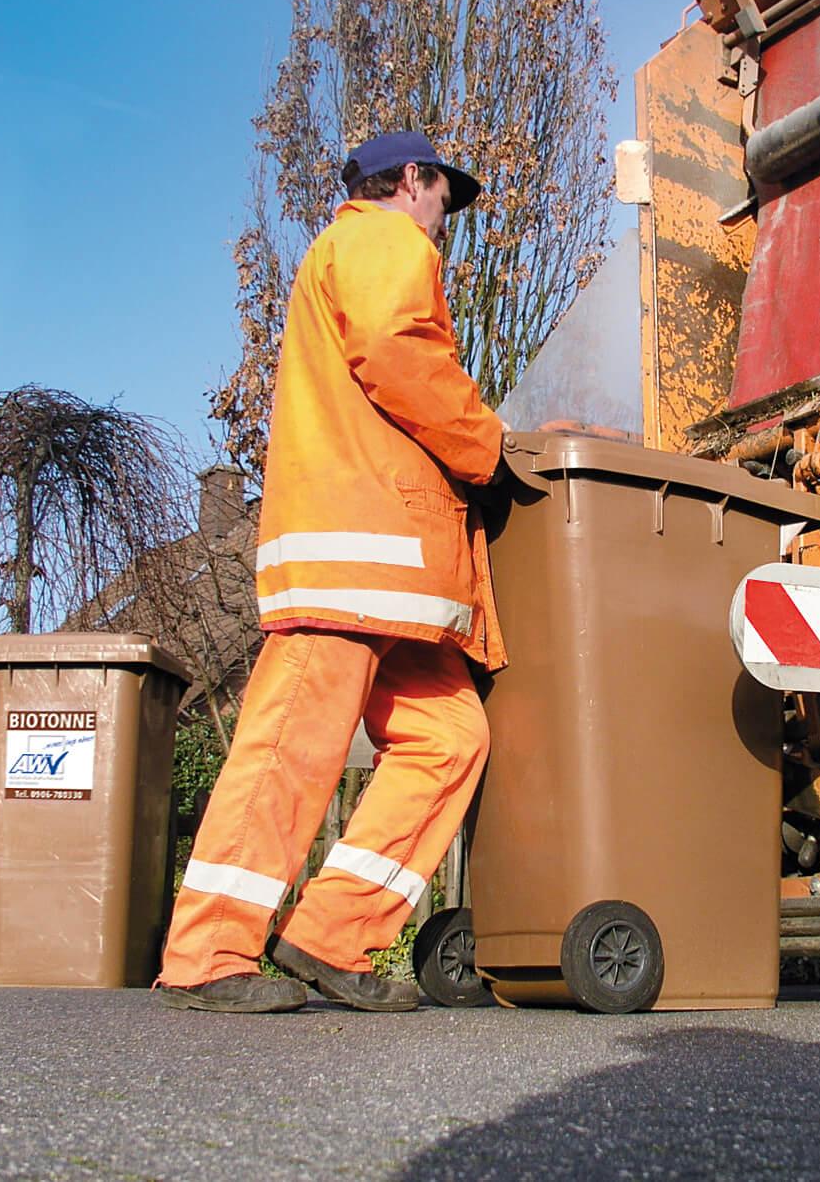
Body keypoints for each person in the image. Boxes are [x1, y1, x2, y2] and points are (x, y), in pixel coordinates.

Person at [156, 131, 506, 1013]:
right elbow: (396, 350)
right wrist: (486, 446)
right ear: (414, 181)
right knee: (289, 749)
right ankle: (208, 955)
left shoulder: (349, 252)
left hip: (395, 575)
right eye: (440, 197)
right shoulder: (381, 238)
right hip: (359, 557)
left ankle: (331, 937)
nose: (442, 219)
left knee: (450, 740)